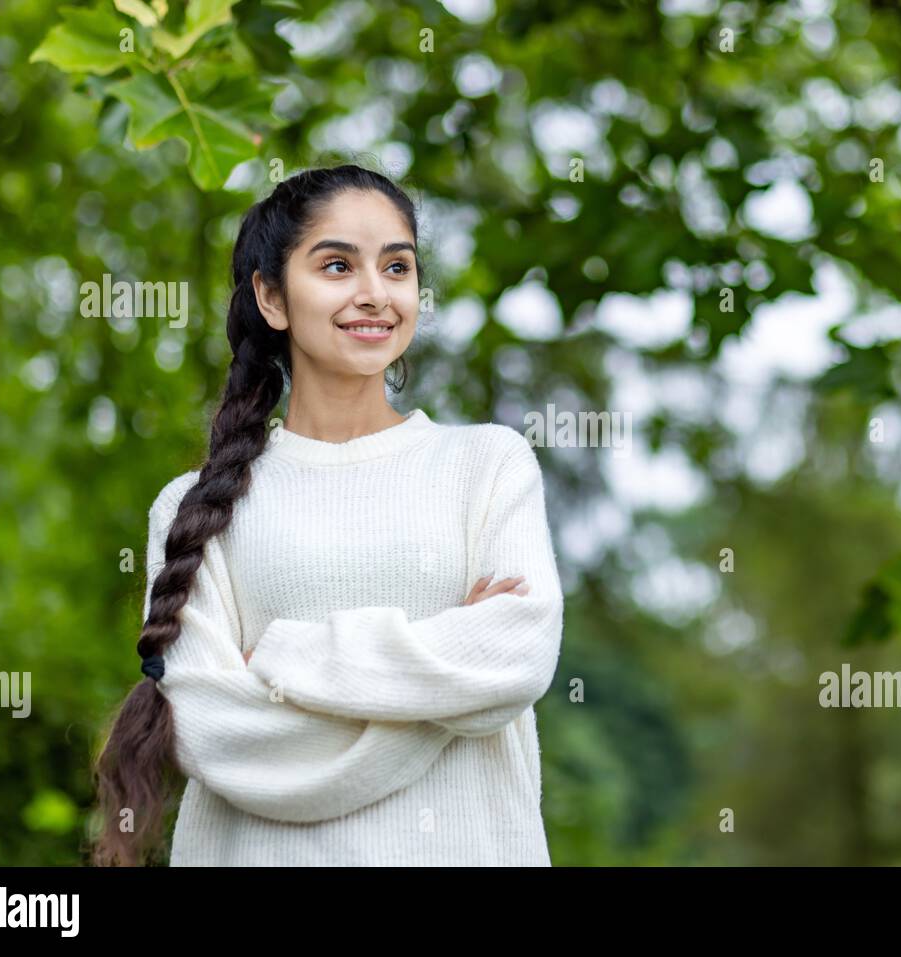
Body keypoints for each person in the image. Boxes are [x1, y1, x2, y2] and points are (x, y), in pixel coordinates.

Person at [90, 164, 564, 866]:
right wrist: (449, 689)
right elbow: (217, 735)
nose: (375, 293)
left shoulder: (488, 465)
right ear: (272, 297)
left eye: (396, 266)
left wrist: (290, 658)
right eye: (337, 264)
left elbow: (516, 656)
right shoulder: (189, 508)